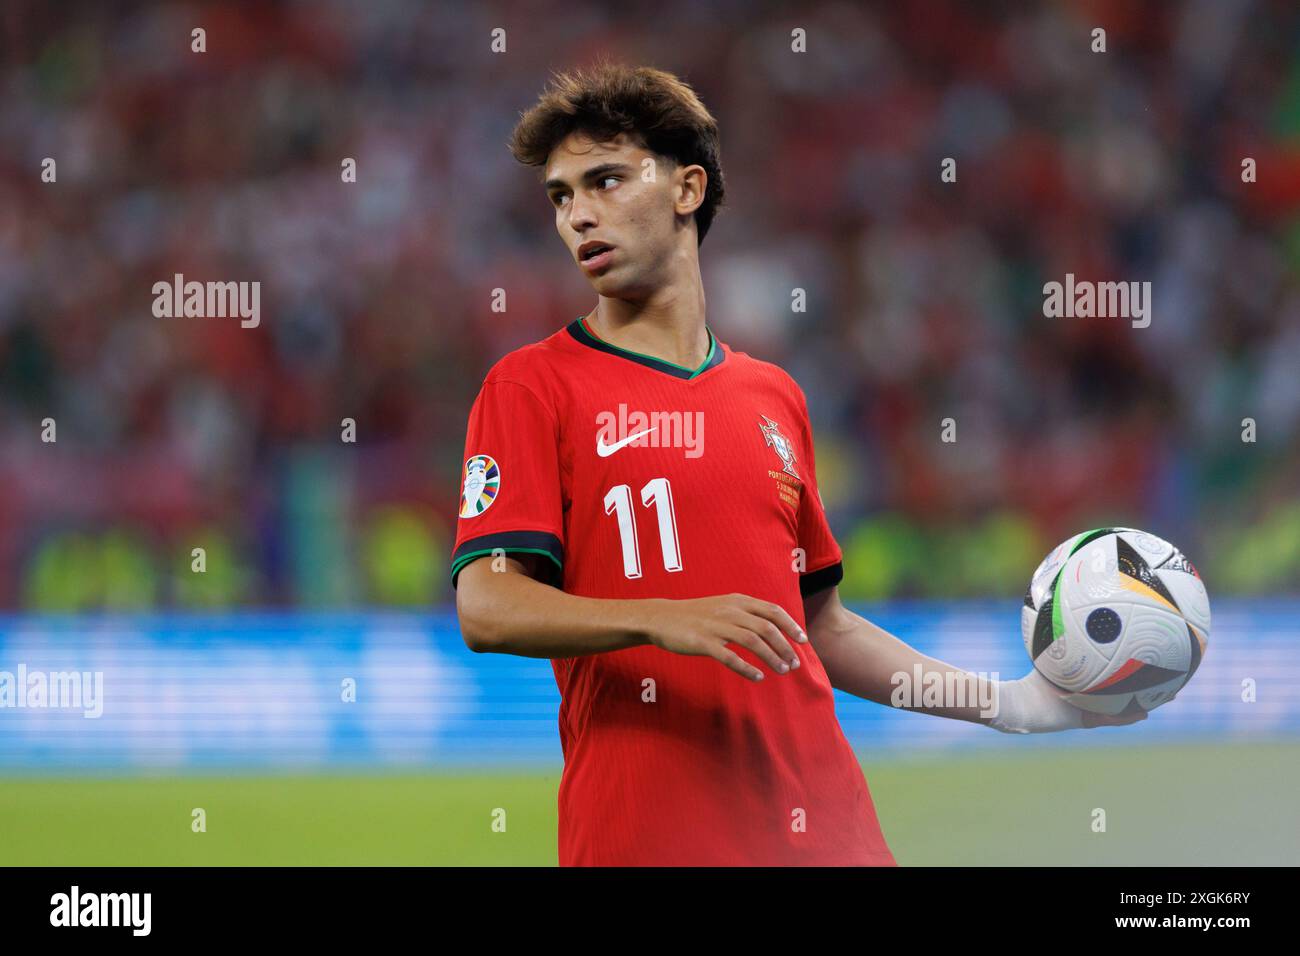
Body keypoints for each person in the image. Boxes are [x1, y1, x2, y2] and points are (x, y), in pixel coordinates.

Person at [451, 62, 1143, 867]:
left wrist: (1009, 704)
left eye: (604, 180)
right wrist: (661, 615)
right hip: (647, 839)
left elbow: (823, 627)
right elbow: (487, 604)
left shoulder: (771, 395)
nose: (577, 216)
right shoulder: (531, 387)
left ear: (686, 190)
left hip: (830, 833)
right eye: (561, 196)